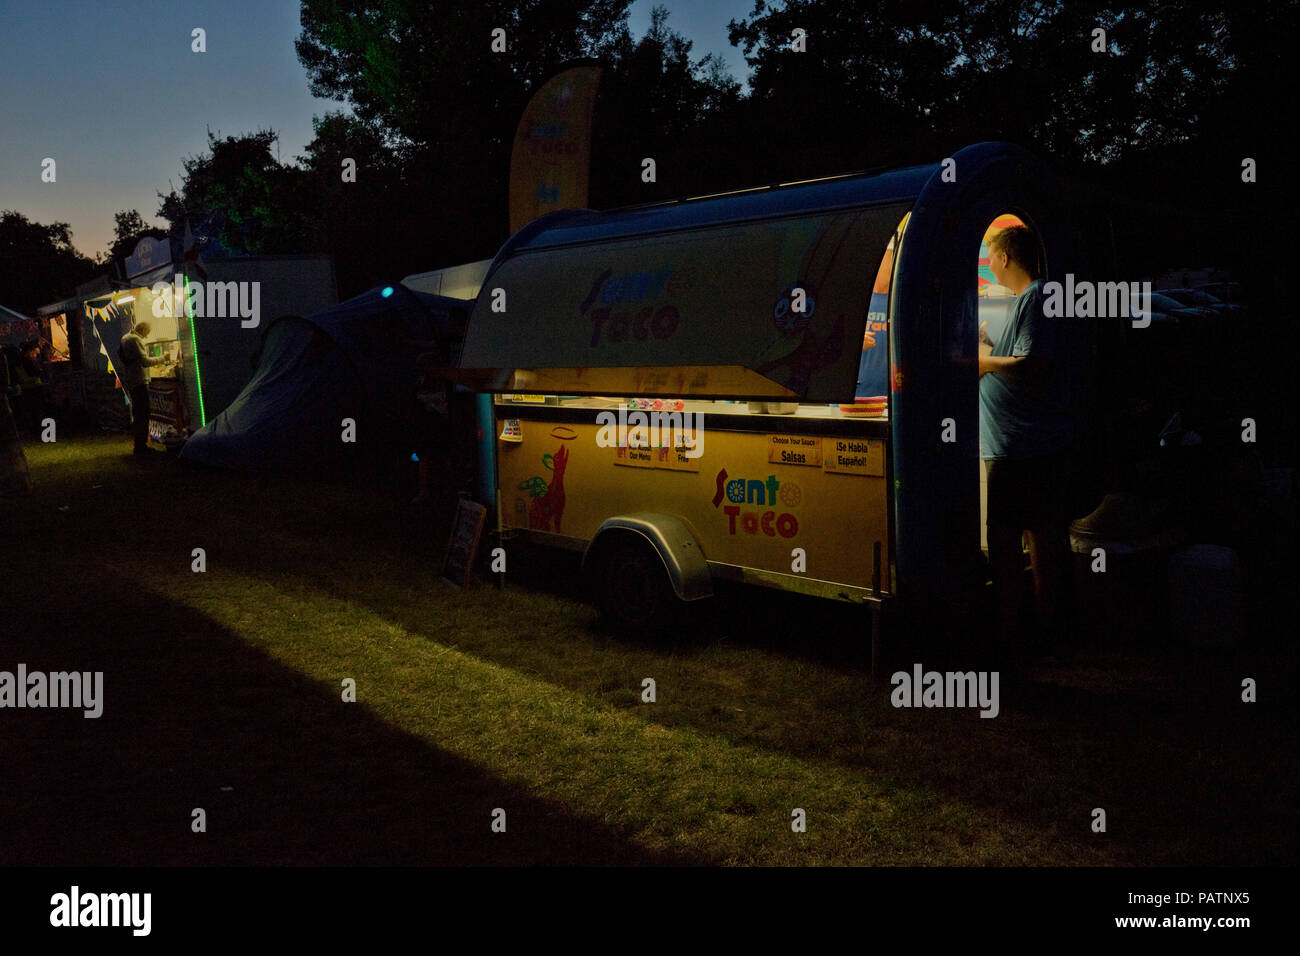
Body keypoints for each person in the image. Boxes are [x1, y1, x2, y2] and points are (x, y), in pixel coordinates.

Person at [978, 225, 1074, 662]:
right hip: (1021, 443)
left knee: (1008, 539)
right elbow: (1013, 360)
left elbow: (1033, 363)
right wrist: (986, 349)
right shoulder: (1029, 300)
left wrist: (982, 361)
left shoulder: (1037, 297)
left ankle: (1014, 632)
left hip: (1021, 446)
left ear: (1005, 257)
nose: (987, 262)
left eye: (990, 254)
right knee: (1039, 535)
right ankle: (1042, 628)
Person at [118, 321, 173, 456]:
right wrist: (163, 358)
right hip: (139, 381)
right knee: (142, 414)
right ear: (142, 330)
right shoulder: (135, 339)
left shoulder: (125, 338)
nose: (146, 337)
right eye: (147, 333)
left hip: (132, 380)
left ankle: (140, 445)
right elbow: (145, 362)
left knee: (138, 414)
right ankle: (141, 447)